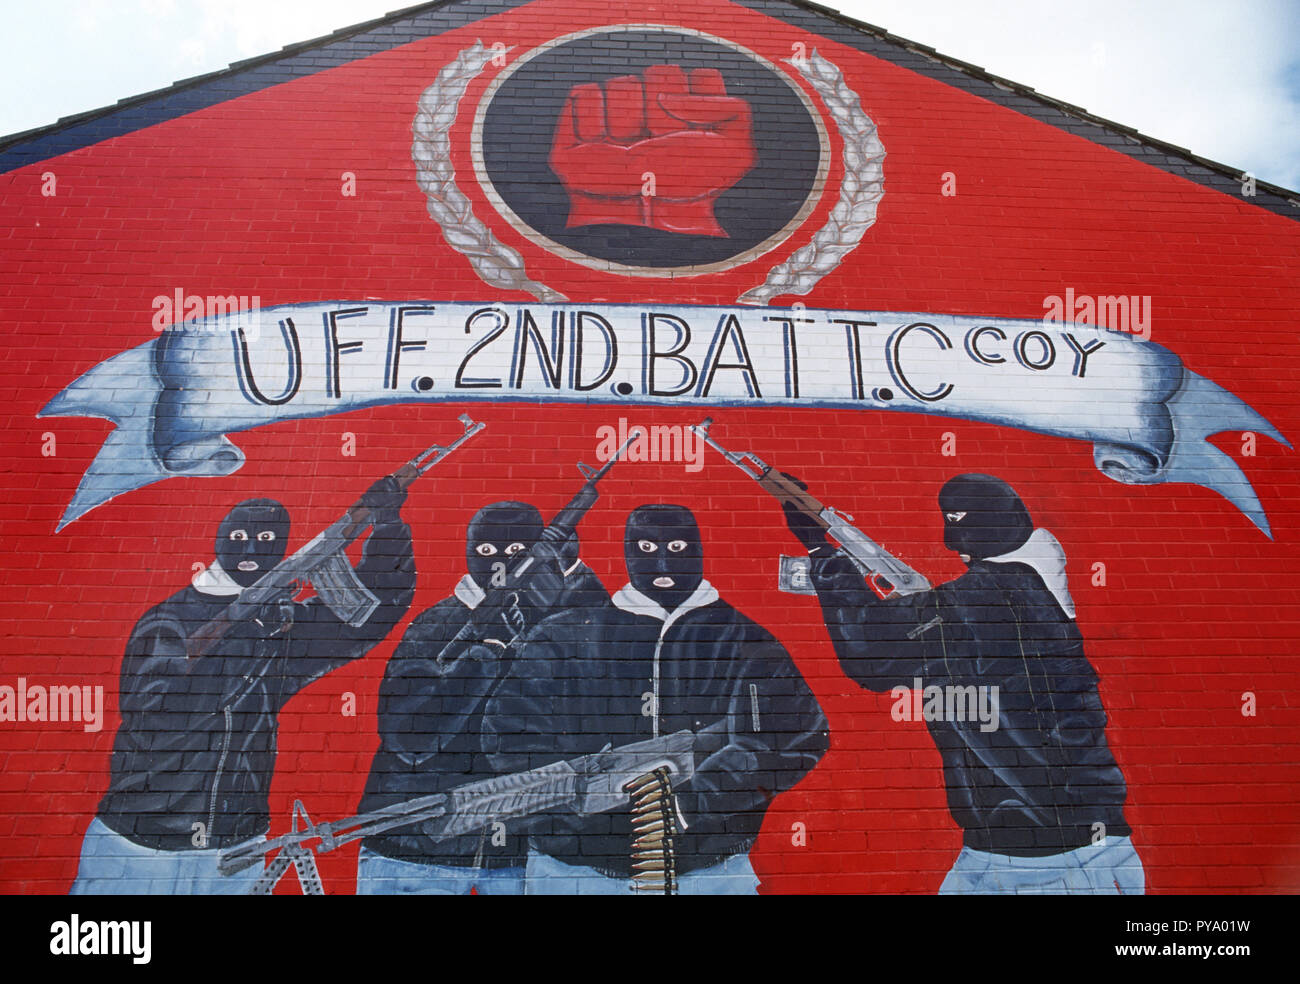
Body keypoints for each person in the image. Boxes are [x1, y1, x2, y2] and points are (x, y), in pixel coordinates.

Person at [785, 472, 1143, 894]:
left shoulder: (998, 590)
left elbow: (870, 652)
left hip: (1053, 862)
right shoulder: (1016, 589)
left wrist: (821, 551)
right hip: (1014, 849)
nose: (958, 551)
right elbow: (891, 662)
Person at [70, 480, 414, 895]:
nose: (252, 549)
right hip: (139, 848)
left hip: (235, 848)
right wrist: (245, 631)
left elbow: (370, 617)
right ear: (220, 542)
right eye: (239, 537)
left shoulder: (277, 623)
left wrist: (388, 525)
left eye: (267, 539)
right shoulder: (170, 621)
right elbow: (157, 710)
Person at [483, 504, 829, 895]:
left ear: (698, 549)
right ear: (628, 550)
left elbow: (794, 735)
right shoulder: (562, 637)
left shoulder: (747, 642)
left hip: (709, 871)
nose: (663, 561)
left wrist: (692, 803)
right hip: (573, 873)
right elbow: (509, 733)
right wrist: (573, 810)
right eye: (646, 547)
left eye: (678, 546)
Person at [356, 501, 607, 895]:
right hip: (412, 853)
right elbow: (409, 736)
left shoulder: (551, 626)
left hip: (514, 857)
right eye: (487, 551)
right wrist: (486, 650)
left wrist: (575, 576)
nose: (500, 564)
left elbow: (603, 658)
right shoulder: (436, 625)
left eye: (516, 553)